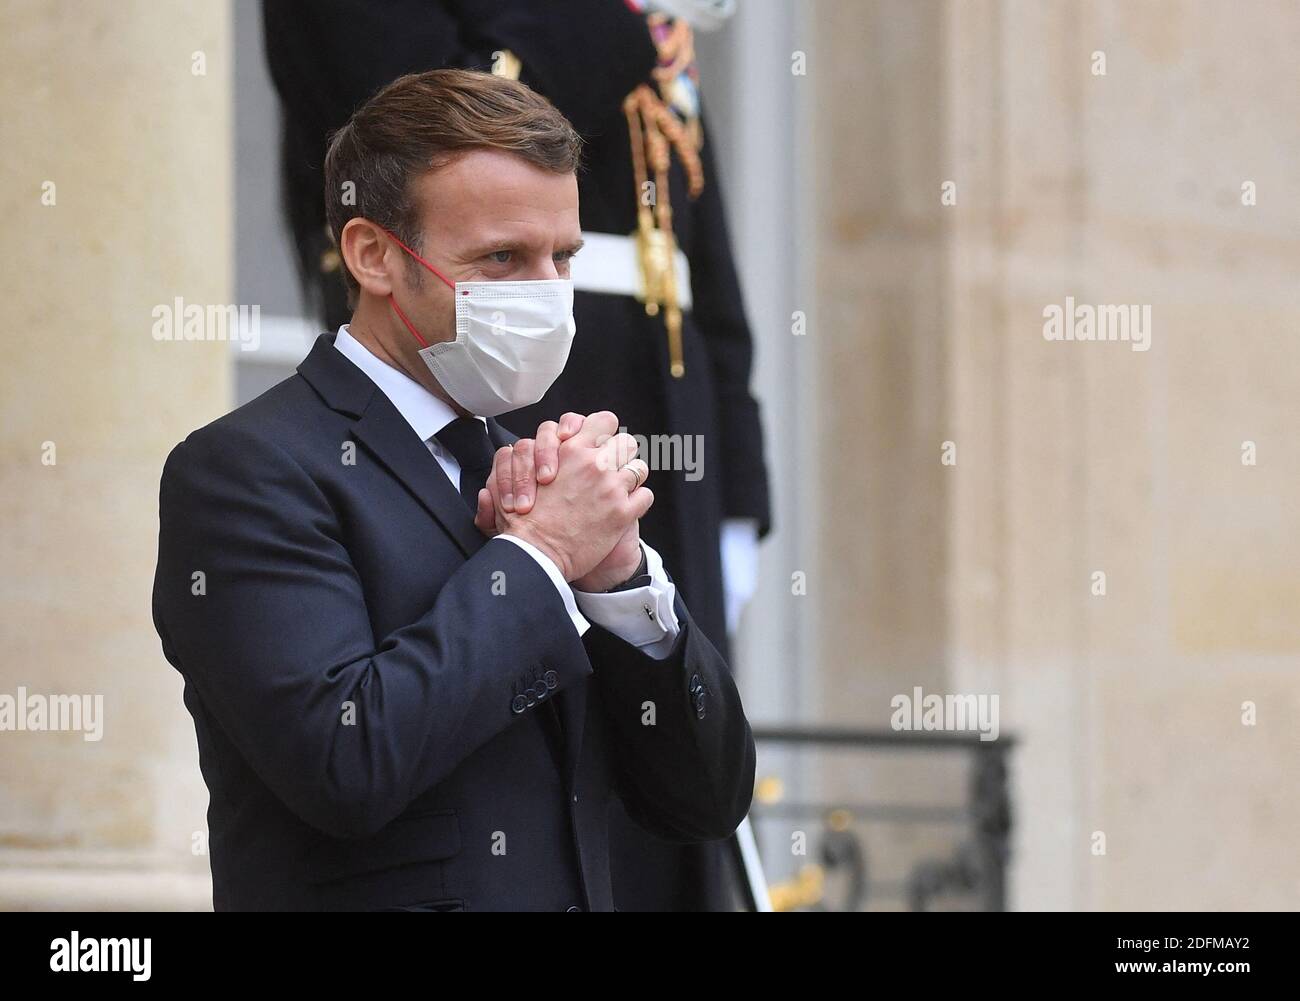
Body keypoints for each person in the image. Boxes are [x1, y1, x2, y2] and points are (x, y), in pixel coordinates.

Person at [151, 69, 754, 911]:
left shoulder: (534, 476)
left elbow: (703, 801)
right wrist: (538, 557)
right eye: (502, 257)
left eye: (564, 256)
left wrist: (616, 578)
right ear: (373, 256)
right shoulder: (249, 472)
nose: (546, 290)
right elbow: (345, 765)